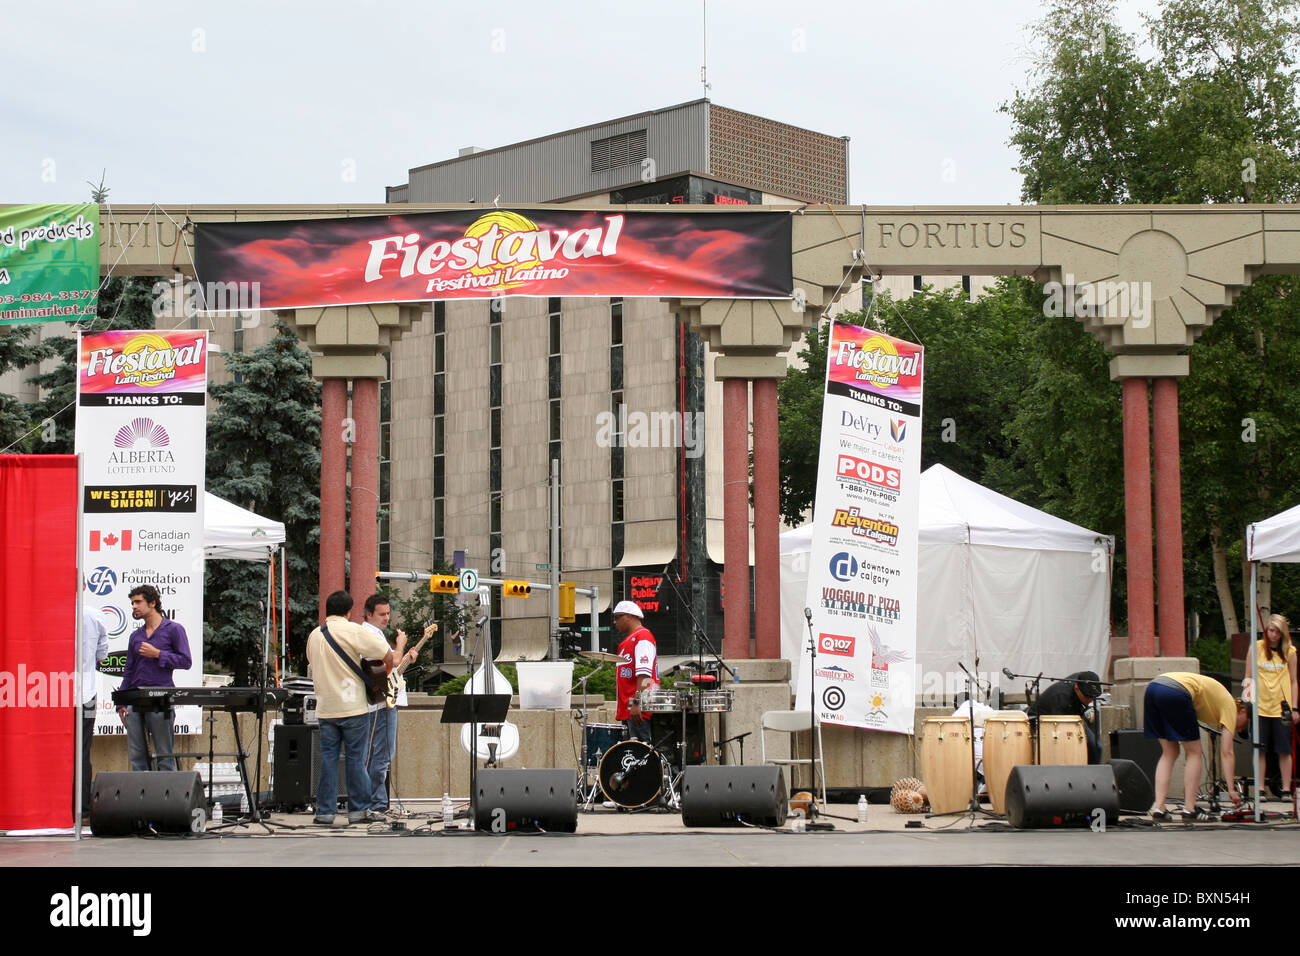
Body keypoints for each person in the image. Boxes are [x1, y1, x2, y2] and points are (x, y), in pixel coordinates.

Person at [306, 590, 401, 826]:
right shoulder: (352, 630)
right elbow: (385, 655)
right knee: (355, 759)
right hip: (353, 707)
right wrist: (380, 675)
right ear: (349, 611)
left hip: (326, 708)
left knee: (328, 759)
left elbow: (311, 664)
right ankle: (359, 810)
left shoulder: (315, 635)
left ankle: (325, 812)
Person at [1144, 671, 1246, 820]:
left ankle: (1159, 808)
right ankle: (1190, 810)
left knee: (1169, 752)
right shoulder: (1231, 706)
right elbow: (1227, 752)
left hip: (1153, 687)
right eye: (1244, 726)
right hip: (1176, 690)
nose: (1240, 729)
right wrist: (1231, 789)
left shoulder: (1219, 700)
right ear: (1243, 711)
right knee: (1195, 752)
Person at [116, 584, 192, 772]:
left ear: (152, 603)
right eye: (132, 602)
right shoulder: (136, 636)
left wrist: (158, 654)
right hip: (135, 700)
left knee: (164, 755)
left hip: (161, 698)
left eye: (138, 602)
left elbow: (186, 661)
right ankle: (141, 799)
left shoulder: (174, 629)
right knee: (137, 756)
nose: (134, 606)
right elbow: (129, 670)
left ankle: (166, 799)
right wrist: (121, 702)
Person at [361, 593, 414, 816]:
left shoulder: (376, 634)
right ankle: (378, 803)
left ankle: (377, 801)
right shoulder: (369, 634)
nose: (386, 618)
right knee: (382, 754)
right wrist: (401, 645)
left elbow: (391, 668)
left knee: (379, 754)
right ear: (369, 614)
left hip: (384, 698)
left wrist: (407, 658)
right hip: (381, 703)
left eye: (388, 613)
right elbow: (391, 661)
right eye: (382, 614)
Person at [1255, 613, 1298, 798]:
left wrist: (1295, 707)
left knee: (1284, 749)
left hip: (1281, 707)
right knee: (1260, 749)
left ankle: (1287, 789)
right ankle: (1260, 788)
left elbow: (1294, 680)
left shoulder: (1290, 651)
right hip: (1261, 706)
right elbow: (1248, 677)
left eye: (1277, 632)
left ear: (1282, 634)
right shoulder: (1256, 647)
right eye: (1270, 630)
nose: (1272, 635)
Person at [1029, 670, 1103, 764]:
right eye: (1087, 697)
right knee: (1067, 748)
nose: (1090, 700)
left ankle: (1094, 775)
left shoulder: (1084, 680)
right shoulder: (1060, 696)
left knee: (1096, 747)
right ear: (1077, 689)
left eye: (1093, 698)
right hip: (1047, 720)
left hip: (1073, 714)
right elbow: (1060, 727)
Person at [79, 604, 109, 823]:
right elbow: (103, 655)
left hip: (52, 690)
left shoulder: (49, 612)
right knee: (83, 749)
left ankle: (59, 805)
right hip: (86, 694)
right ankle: (83, 809)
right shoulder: (95, 615)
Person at [613, 600, 657, 744]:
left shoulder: (643, 637)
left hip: (638, 708)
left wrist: (637, 702)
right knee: (631, 754)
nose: (614, 622)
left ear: (628, 616)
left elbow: (645, 674)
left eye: (617, 617)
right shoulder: (627, 641)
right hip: (630, 708)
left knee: (641, 753)